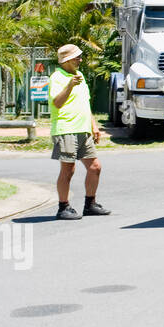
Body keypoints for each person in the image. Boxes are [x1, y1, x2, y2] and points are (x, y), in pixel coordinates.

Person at [49, 44, 110, 220]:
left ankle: (90, 204)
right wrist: (69, 85)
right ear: (67, 60)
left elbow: (85, 103)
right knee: (68, 169)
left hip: (83, 129)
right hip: (66, 129)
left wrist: (93, 125)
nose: (80, 60)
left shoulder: (80, 75)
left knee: (95, 167)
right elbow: (57, 103)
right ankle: (63, 207)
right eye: (77, 57)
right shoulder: (57, 77)